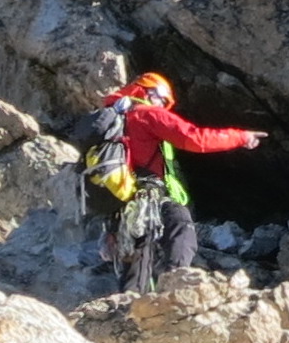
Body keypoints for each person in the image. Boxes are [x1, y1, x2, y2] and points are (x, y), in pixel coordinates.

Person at [95, 73, 262, 293]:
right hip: (148, 194)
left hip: (121, 201)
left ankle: (128, 309)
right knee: (181, 229)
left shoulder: (110, 119)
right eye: (162, 99)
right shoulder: (148, 114)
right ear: (147, 91)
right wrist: (240, 137)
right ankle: (172, 289)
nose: (164, 106)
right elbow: (194, 138)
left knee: (137, 256)